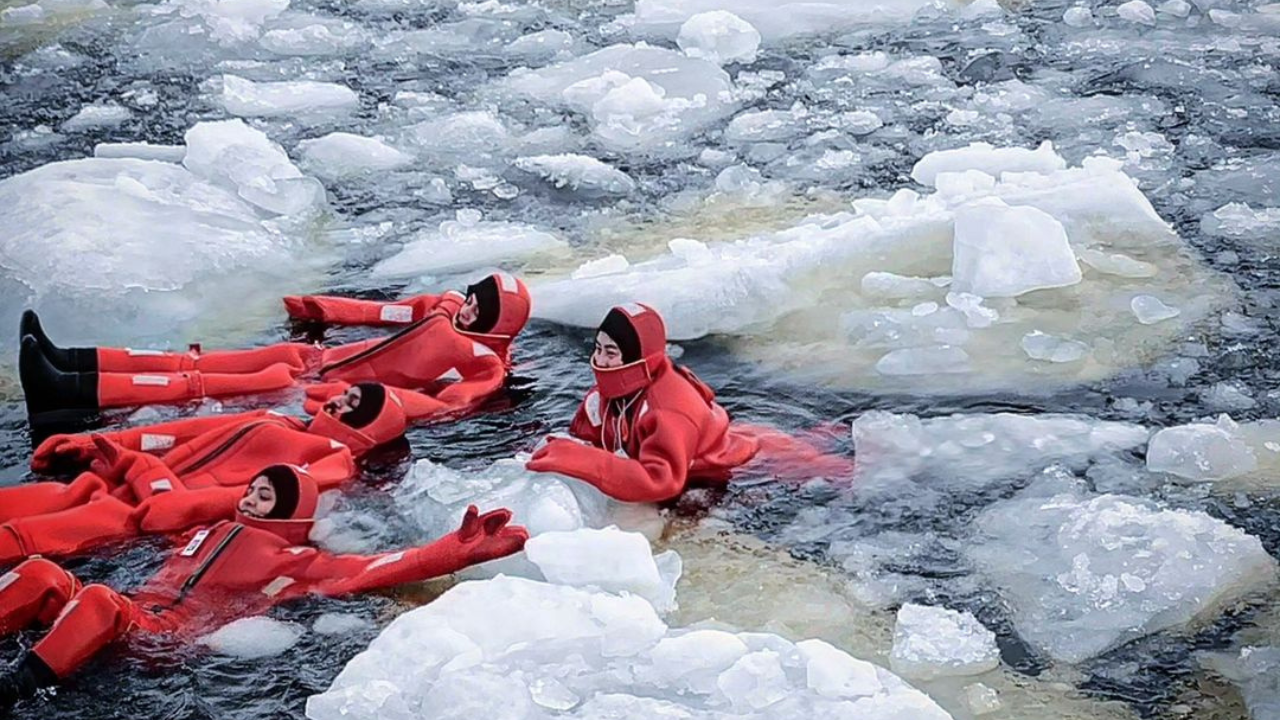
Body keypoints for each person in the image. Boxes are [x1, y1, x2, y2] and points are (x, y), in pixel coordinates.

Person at [0, 465, 527, 710]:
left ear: (291, 513)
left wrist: (449, 552)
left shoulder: (296, 559)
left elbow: (371, 568)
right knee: (41, 573)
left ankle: (12, 691)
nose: (250, 501)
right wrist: (126, 462)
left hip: (159, 637)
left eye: (266, 497)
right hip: (124, 610)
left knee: (95, 599)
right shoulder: (205, 531)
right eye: (250, 491)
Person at [18, 272, 532, 429]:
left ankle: (67, 393)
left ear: (493, 322)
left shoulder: (482, 361)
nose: (464, 308)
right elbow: (381, 314)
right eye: (468, 298)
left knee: (194, 385)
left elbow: (448, 405)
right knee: (191, 362)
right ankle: (70, 359)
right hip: (308, 363)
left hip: (317, 387)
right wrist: (317, 309)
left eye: (476, 308)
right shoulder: (439, 314)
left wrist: (357, 397)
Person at [0, 382, 409, 566]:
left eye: (351, 404)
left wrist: (149, 480)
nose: (336, 400)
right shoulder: (275, 419)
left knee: (18, 538)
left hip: (133, 519)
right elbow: (183, 433)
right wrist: (98, 442)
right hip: (111, 483)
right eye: (345, 393)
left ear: (363, 429)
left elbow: (250, 504)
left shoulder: (332, 461)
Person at [526, 303, 760, 502]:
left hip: (728, 473)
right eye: (598, 349)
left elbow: (662, 481)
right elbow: (582, 438)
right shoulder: (605, 396)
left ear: (639, 357)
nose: (600, 361)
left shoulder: (668, 410)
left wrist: (583, 460)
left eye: (610, 352)